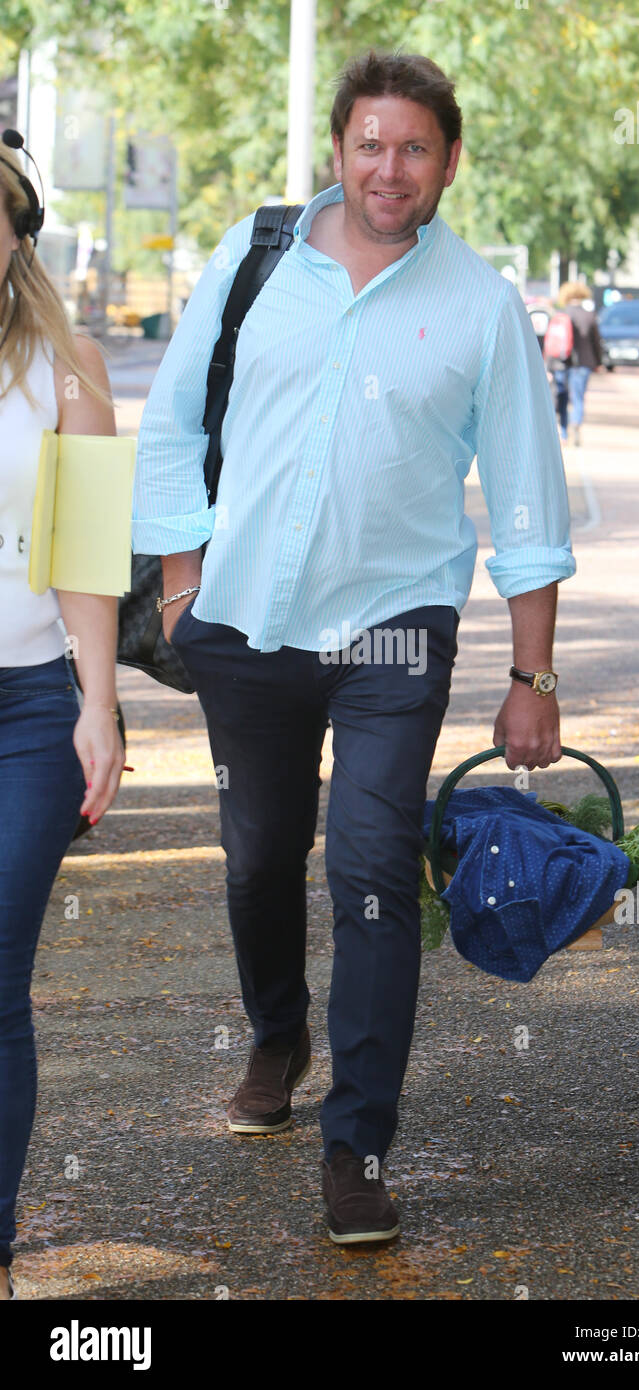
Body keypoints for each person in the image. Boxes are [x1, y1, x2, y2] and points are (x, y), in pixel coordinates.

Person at [133, 49, 576, 1246]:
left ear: (448, 162)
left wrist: (532, 677)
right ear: (339, 149)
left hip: (394, 628)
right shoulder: (258, 253)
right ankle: (277, 1029)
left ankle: (358, 1146)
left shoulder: (482, 305)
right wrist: (180, 588)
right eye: (371, 144)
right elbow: (174, 417)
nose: (391, 168)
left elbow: (528, 497)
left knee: (373, 873)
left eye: (415, 148)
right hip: (247, 624)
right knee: (257, 857)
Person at [0, 138, 125, 1300]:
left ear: (16, 233)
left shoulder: (68, 369)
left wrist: (99, 705)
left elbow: (86, 556)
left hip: (29, 708)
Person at [547, 281, 603, 447]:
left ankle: (563, 433)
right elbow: (596, 342)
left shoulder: (560, 314)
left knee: (562, 397)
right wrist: (598, 362)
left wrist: (548, 366)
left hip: (561, 363)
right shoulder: (589, 315)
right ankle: (576, 423)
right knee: (578, 397)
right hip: (583, 363)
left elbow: (552, 342)